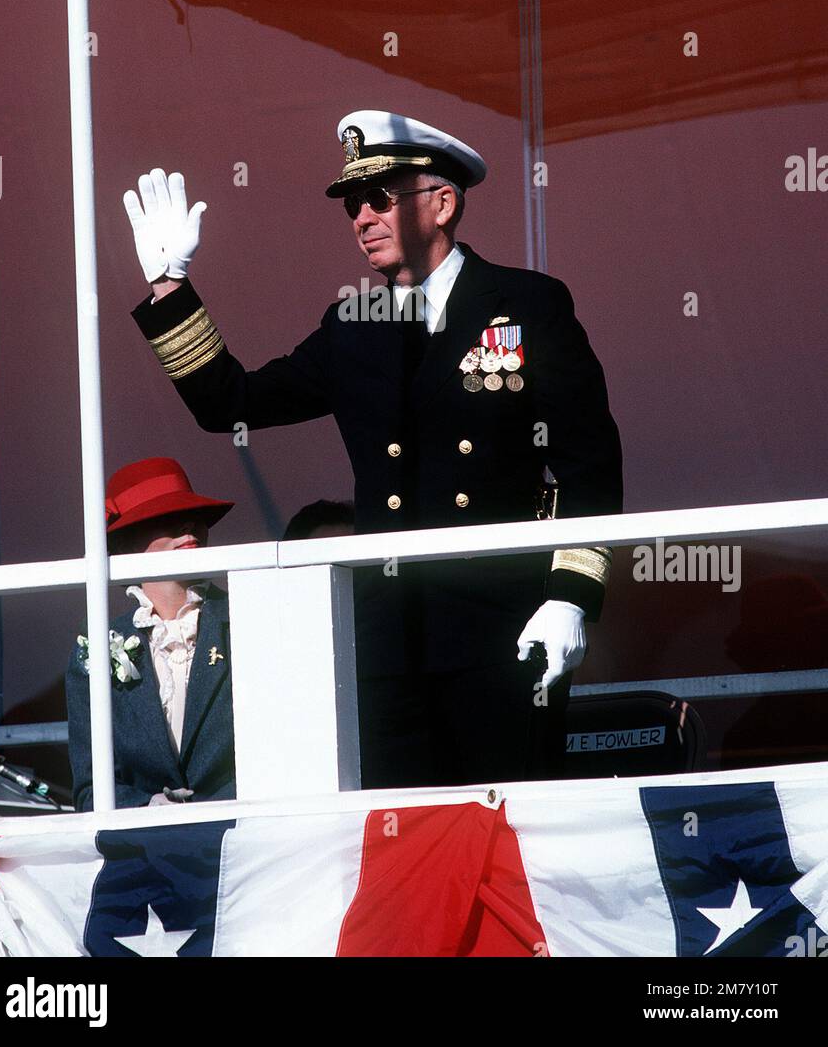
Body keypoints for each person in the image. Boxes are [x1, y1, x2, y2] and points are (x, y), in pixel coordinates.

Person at [123, 110, 623, 787]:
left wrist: (570, 596)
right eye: (353, 203)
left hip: (504, 624)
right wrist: (169, 287)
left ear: (442, 203)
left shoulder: (526, 306)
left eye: (380, 198)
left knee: (507, 836)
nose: (361, 217)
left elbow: (588, 463)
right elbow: (230, 403)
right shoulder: (354, 326)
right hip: (389, 637)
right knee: (402, 849)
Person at [65, 457, 236, 811]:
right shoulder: (96, 648)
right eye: (166, 518)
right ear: (127, 542)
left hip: (240, 844)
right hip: (146, 852)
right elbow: (90, 790)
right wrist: (147, 808)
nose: (188, 525)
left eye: (195, 515)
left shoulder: (245, 622)